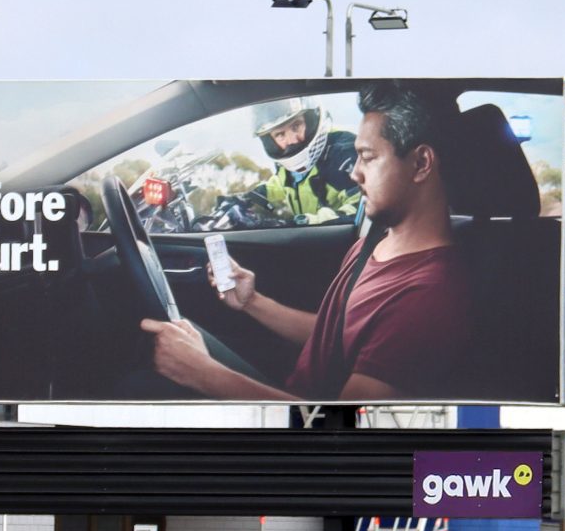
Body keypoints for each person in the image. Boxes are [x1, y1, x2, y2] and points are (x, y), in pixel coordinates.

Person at [142, 84, 470, 400]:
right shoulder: (373, 245)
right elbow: (335, 337)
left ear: (421, 163)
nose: (354, 174)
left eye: (368, 157)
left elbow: (342, 429)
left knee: (140, 387)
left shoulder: (425, 298)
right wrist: (251, 301)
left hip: (298, 430)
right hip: (292, 398)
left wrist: (203, 374)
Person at [246, 99, 360, 224]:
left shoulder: (343, 152)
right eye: (280, 134)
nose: (292, 140)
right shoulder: (287, 166)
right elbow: (281, 183)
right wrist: (251, 197)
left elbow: (361, 207)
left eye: (296, 126)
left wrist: (308, 222)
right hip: (313, 239)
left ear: (311, 120)